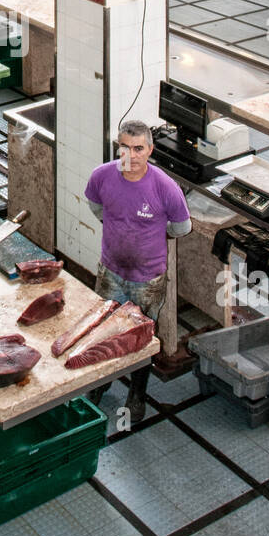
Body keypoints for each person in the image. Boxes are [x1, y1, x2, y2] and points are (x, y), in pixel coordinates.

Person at [85, 121, 191, 423]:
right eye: (124, 147)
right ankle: (98, 385)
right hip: (110, 273)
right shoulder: (101, 176)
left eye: (138, 148)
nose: (130, 155)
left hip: (148, 280)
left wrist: (150, 237)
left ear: (150, 150)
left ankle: (137, 394)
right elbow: (95, 206)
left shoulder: (165, 188)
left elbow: (181, 228)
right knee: (102, 331)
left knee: (141, 337)